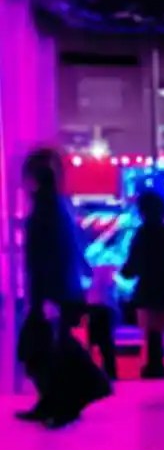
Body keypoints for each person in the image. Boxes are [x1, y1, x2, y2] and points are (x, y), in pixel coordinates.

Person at [16, 148, 109, 428]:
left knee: (41, 348)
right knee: (47, 346)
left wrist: (47, 297)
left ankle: (69, 398)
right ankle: (56, 401)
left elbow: (47, 256)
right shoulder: (57, 206)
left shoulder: (46, 209)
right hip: (58, 289)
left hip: (51, 291)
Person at [122, 190, 164, 378]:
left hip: (148, 287)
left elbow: (132, 266)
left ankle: (155, 367)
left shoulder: (142, 234)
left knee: (153, 332)